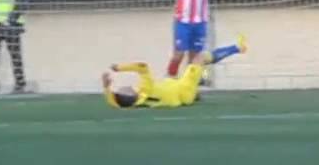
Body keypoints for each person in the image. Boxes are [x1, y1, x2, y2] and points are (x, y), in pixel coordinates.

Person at [103, 35, 248, 109]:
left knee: (195, 67)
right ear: (129, 94)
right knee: (199, 58)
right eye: (122, 90)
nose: (123, 87)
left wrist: (107, 88)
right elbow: (142, 67)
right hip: (183, 88)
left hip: (180, 92)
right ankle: (238, 48)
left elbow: (115, 103)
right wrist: (119, 68)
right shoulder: (145, 89)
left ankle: (197, 89)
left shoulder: (134, 103)